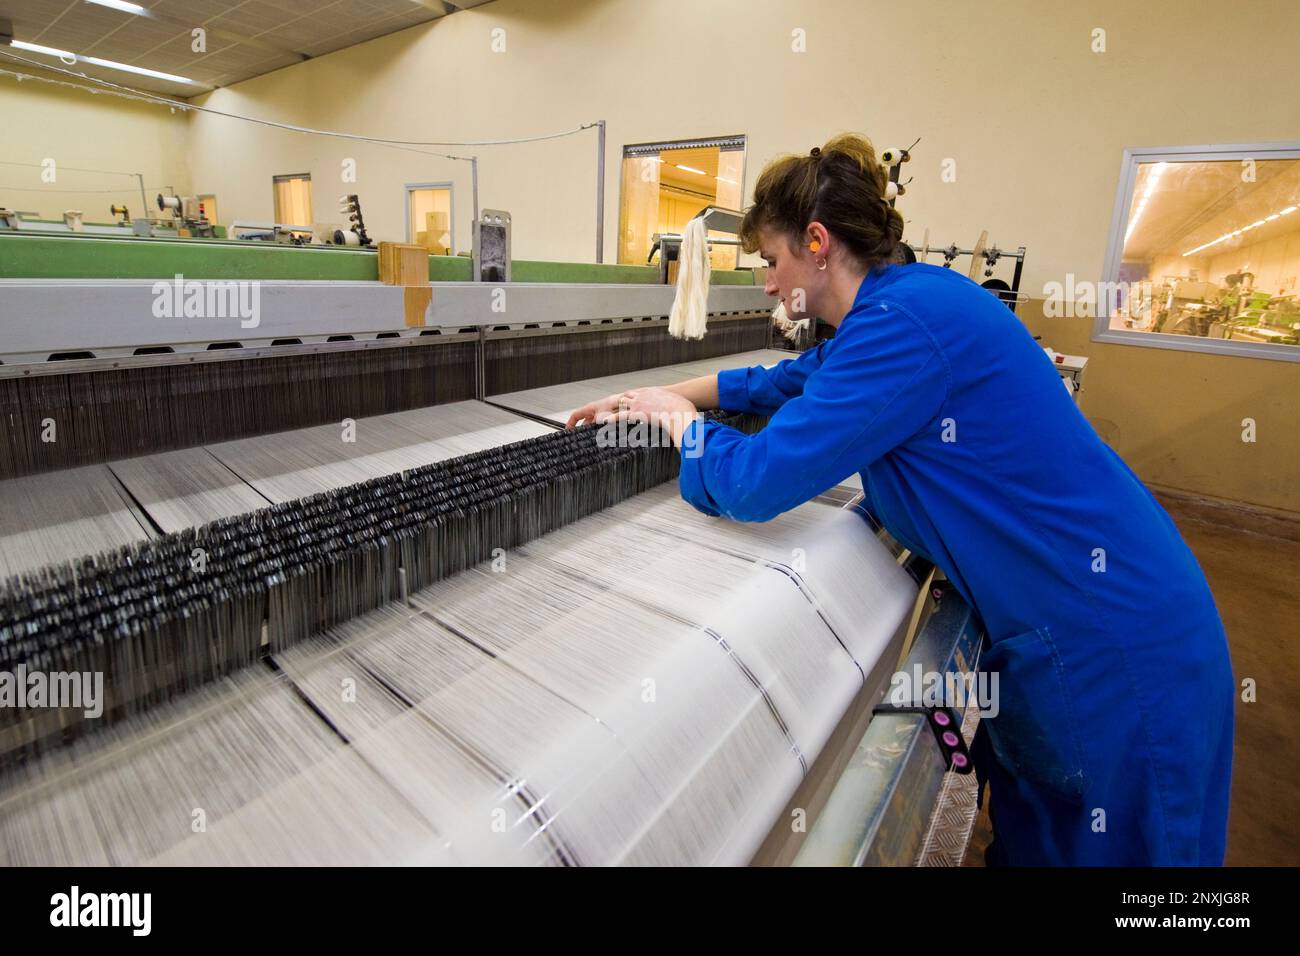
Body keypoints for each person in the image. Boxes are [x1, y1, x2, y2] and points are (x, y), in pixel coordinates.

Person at [567, 134, 1235, 866]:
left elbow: (753, 482)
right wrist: (659, 394)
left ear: (816, 243)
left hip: (1116, 654)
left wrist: (682, 427)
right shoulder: (910, 302)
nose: (763, 281)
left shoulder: (898, 328)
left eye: (769, 260)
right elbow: (782, 383)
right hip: (1096, 621)